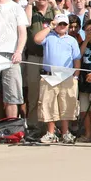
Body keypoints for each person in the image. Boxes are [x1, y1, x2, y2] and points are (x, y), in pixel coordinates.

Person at [33, 13, 82, 144]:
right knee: (48, 104)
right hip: (49, 76)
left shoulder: (72, 40)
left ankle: (65, 133)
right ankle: (51, 133)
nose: (61, 26)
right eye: (59, 24)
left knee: (66, 104)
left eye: (64, 24)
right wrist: (50, 27)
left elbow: (77, 59)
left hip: (67, 76)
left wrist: (76, 77)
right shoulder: (48, 36)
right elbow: (37, 39)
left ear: (67, 26)